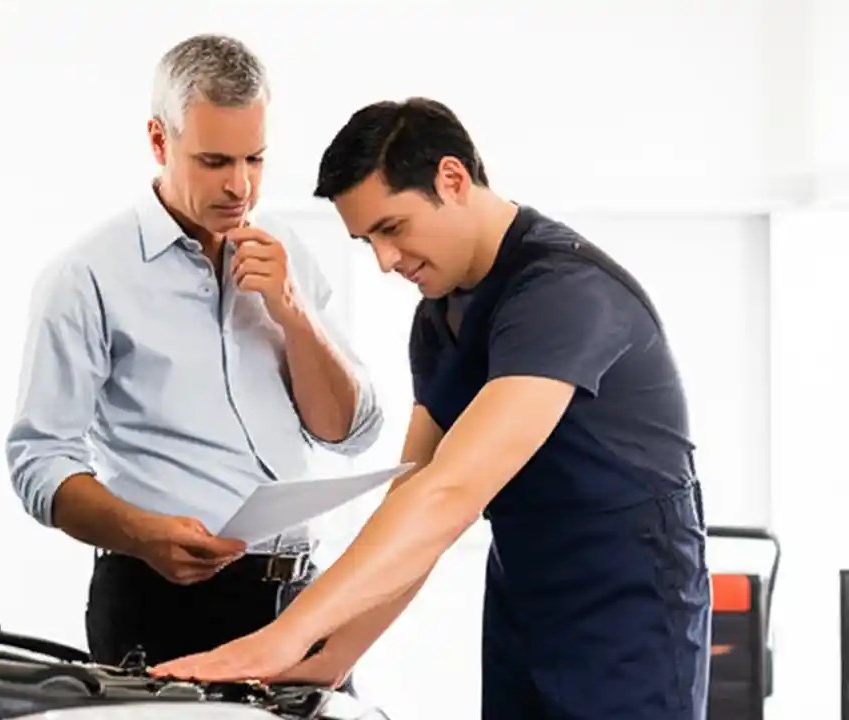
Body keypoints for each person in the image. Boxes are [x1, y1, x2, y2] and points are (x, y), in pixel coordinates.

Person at [150, 97, 712, 719]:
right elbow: (415, 495)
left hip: (630, 607)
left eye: (392, 228)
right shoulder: (439, 318)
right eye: (367, 241)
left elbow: (451, 493)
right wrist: (336, 655)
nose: (385, 261)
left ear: (452, 178)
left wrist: (280, 638)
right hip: (524, 597)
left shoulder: (565, 294)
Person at [5, 34, 384, 672]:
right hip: (162, 604)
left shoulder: (284, 250)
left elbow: (349, 433)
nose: (240, 186)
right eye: (214, 161)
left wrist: (293, 313)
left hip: (301, 599)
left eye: (255, 159)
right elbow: (38, 461)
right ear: (159, 141)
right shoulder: (87, 276)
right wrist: (140, 532)